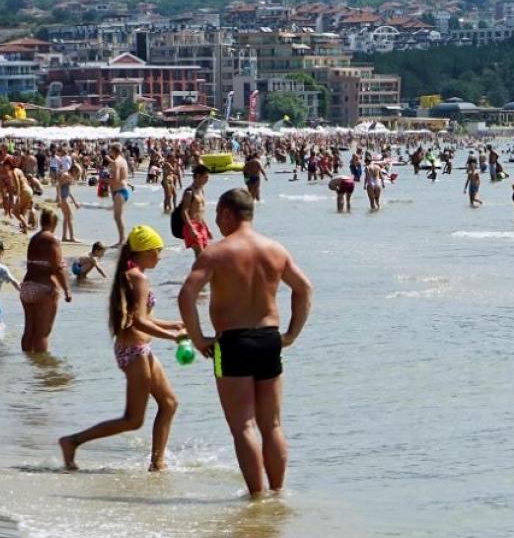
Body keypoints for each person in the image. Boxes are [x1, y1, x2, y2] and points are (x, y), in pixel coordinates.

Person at [178, 188, 313, 498]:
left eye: (217, 216)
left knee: (243, 426)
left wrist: (198, 339)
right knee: (273, 425)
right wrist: (291, 334)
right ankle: (277, 494)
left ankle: (256, 498)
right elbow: (304, 288)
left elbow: (186, 294)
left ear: (227, 213)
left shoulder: (216, 252)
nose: (216, 222)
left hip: (233, 343)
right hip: (269, 339)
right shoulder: (275, 249)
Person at [59, 225, 183, 472]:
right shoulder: (138, 277)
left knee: (169, 403)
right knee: (133, 419)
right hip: (134, 351)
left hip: (139, 350)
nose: (160, 256)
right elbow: (139, 321)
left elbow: (141, 316)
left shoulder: (131, 273)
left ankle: (157, 463)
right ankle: (72, 441)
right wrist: (173, 337)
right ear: (145, 251)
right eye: (158, 251)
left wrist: (174, 324)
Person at [21, 209, 71, 353]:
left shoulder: (34, 238)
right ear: (54, 222)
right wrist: (67, 290)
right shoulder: (52, 239)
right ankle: (43, 370)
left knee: (29, 330)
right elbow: (57, 268)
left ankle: (28, 364)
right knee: (42, 334)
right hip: (43, 288)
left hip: (26, 287)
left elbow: (35, 263)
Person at [180, 164, 213, 257]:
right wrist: (191, 229)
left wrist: (207, 228)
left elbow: (200, 212)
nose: (207, 179)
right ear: (198, 176)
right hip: (192, 226)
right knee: (200, 256)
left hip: (201, 226)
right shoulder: (189, 192)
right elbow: (184, 212)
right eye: (205, 177)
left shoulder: (201, 190)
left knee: (206, 256)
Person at [108, 143, 132, 246]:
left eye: (110, 150)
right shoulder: (122, 160)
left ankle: (122, 240)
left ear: (114, 151)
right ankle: (122, 239)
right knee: (118, 217)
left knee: (118, 217)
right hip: (121, 190)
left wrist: (102, 180)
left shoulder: (117, 162)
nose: (109, 152)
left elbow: (116, 179)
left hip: (119, 191)